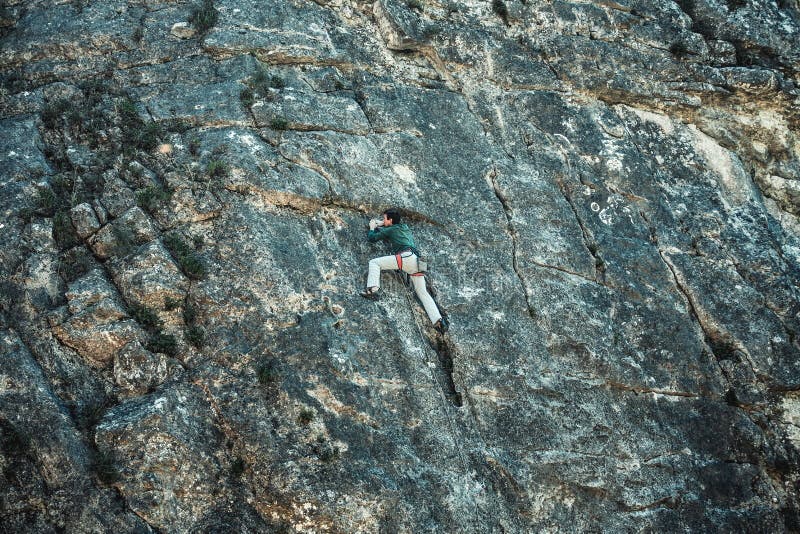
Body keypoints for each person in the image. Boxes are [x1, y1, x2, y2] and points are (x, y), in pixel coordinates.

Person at [361, 208, 449, 333]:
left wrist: (371, 227)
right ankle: (438, 321)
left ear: (390, 220)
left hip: (405, 258)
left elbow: (373, 238)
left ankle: (372, 288)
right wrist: (382, 223)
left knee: (374, 263)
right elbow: (389, 225)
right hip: (418, 262)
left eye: (384, 218)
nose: (383, 220)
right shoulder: (404, 227)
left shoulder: (391, 229)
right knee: (423, 293)